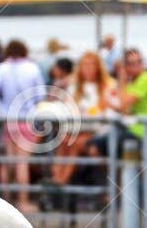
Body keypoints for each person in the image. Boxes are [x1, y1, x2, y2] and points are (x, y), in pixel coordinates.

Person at [0, 39, 45, 207]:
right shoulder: (32, 68)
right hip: (27, 118)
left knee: (8, 162)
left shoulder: (1, 68)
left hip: (8, 119)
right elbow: (41, 94)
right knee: (22, 162)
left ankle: (5, 201)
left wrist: (1, 110)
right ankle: (23, 200)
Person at [49, 52, 114, 186]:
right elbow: (68, 107)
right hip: (78, 128)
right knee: (64, 140)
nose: (88, 69)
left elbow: (106, 112)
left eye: (91, 65)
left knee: (75, 143)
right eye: (85, 65)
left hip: (98, 131)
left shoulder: (108, 86)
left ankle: (60, 181)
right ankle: (56, 178)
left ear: (98, 67)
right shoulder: (75, 87)